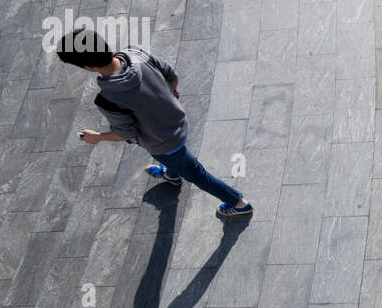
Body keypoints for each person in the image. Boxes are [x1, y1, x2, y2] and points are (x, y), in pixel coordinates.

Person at [57, 27, 252, 217]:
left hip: (163, 142)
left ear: (88, 67)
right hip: (178, 119)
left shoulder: (107, 99)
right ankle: (173, 174)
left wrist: (98, 137)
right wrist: (172, 93)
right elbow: (171, 75)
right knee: (175, 161)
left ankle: (238, 203)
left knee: (197, 174)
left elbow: (126, 133)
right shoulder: (134, 53)